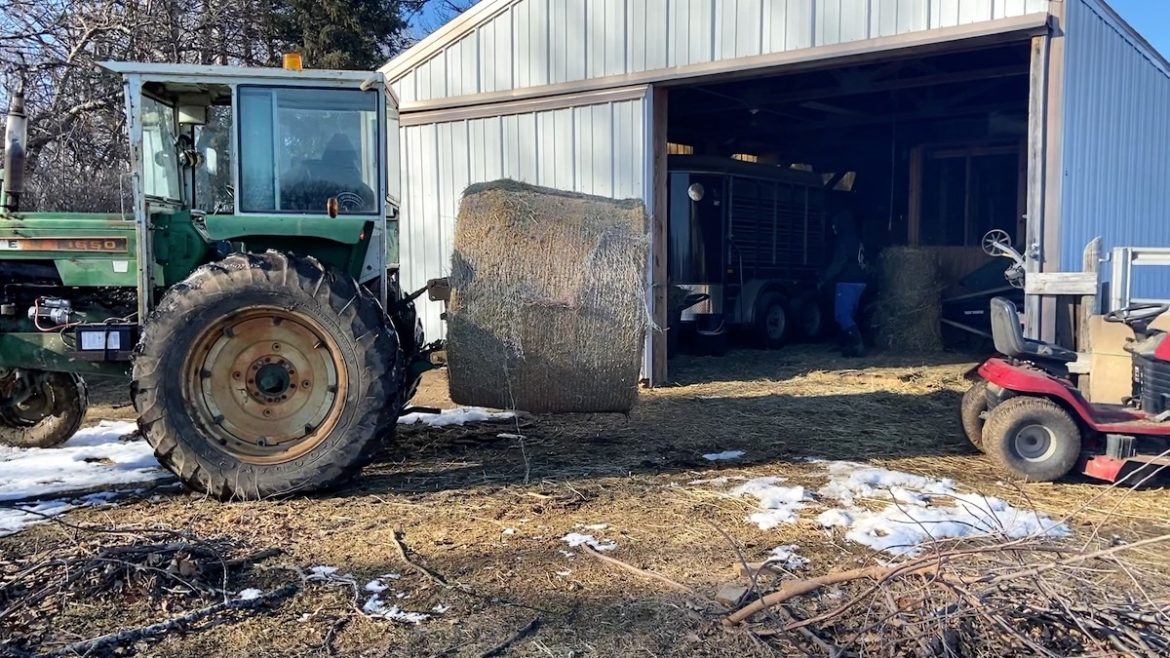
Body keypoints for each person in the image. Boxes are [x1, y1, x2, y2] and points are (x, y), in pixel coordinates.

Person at [819, 209, 867, 357]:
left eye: (835, 224)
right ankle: (846, 344)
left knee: (842, 315)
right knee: (850, 314)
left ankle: (858, 344)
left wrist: (824, 278)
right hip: (860, 281)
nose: (833, 227)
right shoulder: (857, 239)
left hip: (847, 281)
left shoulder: (843, 240)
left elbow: (839, 262)